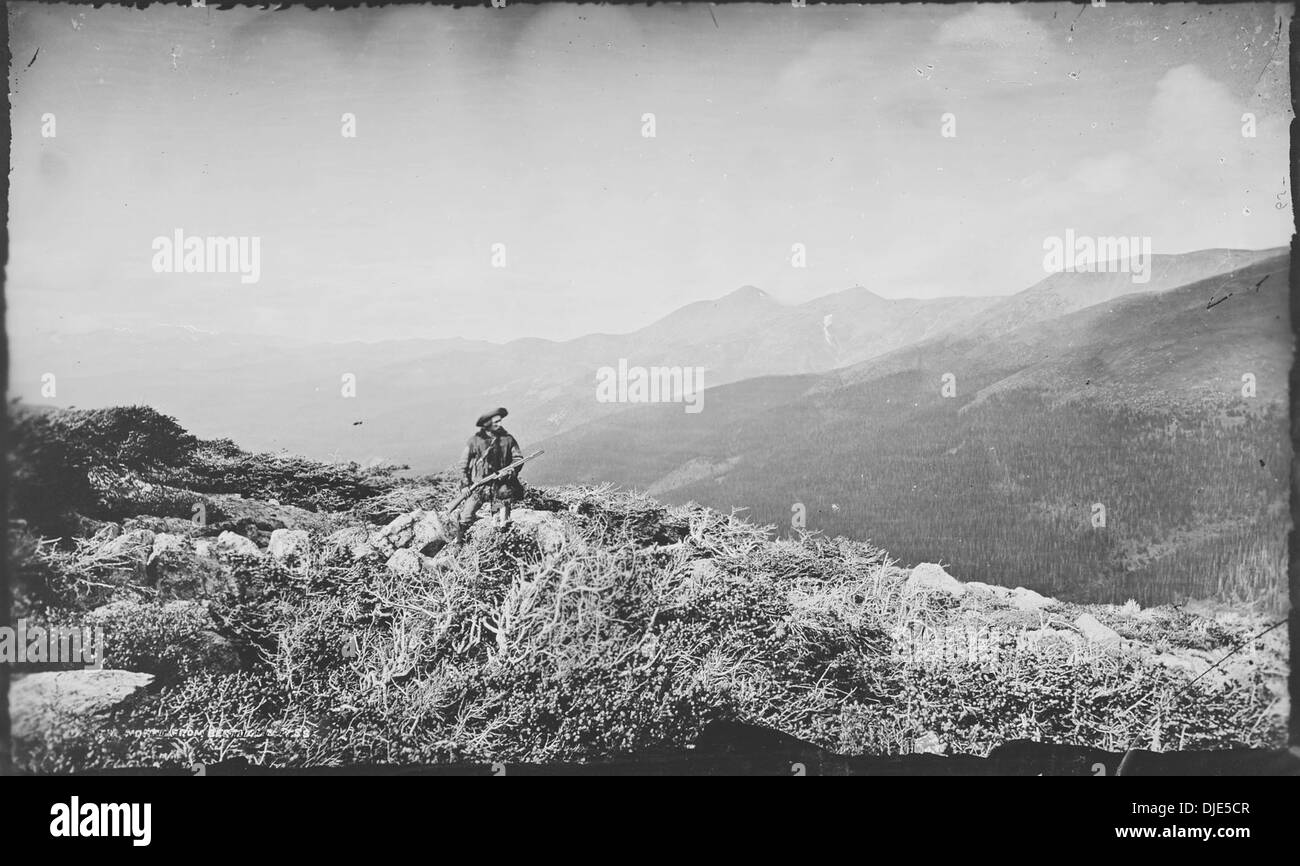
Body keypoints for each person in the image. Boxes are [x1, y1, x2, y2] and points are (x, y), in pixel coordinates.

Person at [454, 407, 525, 543]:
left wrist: (509, 471)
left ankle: (501, 545)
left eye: (500, 421)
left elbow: (518, 459)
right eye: (496, 422)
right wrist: (465, 484)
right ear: (487, 424)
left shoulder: (508, 439)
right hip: (479, 487)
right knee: (465, 516)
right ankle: (459, 545)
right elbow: (463, 465)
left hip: (500, 487)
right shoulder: (475, 441)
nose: (500, 424)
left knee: (500, 521)